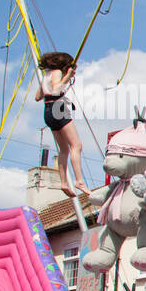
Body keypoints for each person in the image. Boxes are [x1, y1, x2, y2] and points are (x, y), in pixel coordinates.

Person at [34, 51, 88, 198]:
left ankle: (64, 182)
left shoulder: (46, 75)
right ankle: (79, 180)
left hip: (48, 111)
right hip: (58, 109)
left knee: (64, 150)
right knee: (76, 146)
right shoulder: (57, 72)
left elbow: (38, 97)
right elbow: (57, 89)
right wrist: (67, 77)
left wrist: (64, 79)